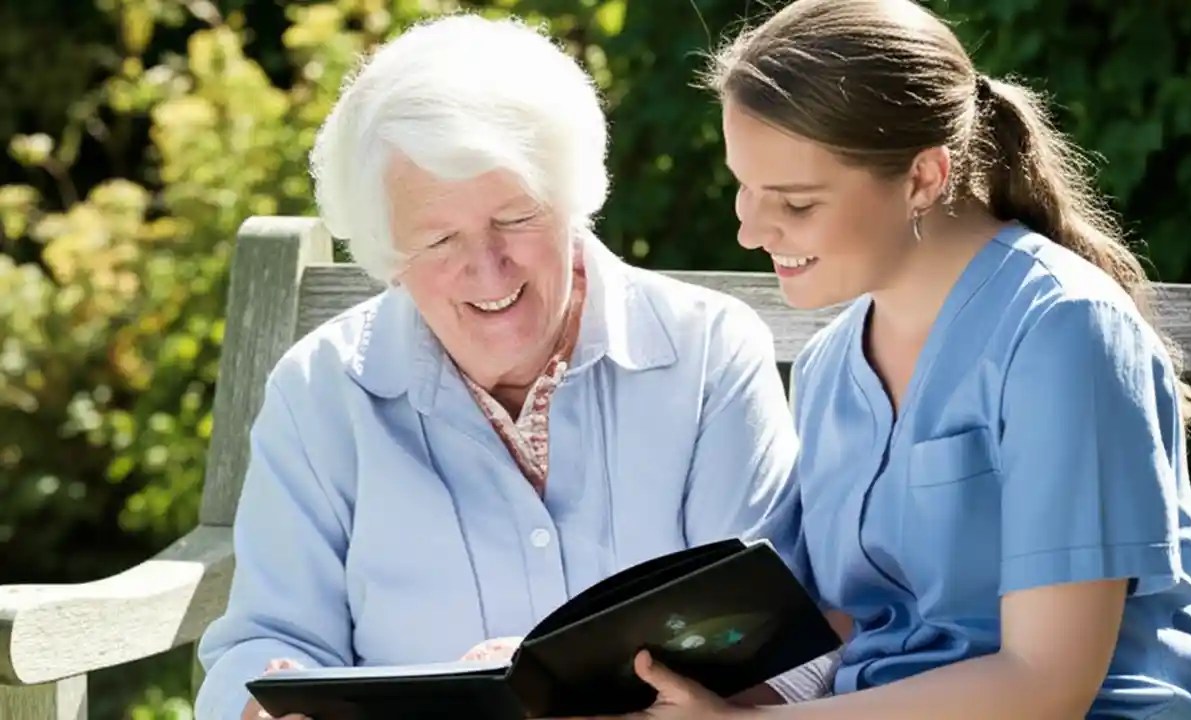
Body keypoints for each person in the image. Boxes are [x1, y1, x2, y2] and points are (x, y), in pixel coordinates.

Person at [571, 1, 1191, 719]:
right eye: (745, 187)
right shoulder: (830, 365)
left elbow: (1048, 684)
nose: (749, 229)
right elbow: (844, 624)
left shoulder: (1065, 329)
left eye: (794, 202)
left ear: (923, 176)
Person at [193, 14, 818, 720]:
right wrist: (260, 707)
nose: (486, 267)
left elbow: (780, 633)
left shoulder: (707, 352)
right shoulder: (322, 390)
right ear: (387, 249)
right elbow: (263, 641)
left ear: (572, 200)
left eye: (516, 218)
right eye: (438, 237)